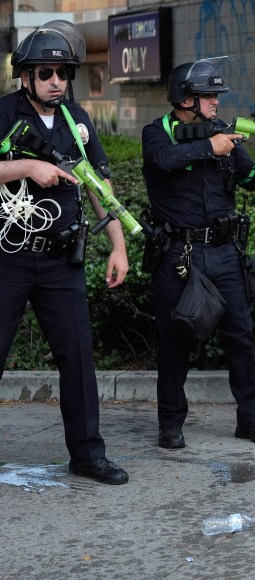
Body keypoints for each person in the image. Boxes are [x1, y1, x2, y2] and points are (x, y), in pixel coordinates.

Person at [0, 20, 129, 484]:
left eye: (63, 72)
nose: (57, 80)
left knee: (77, 360)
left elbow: (99, 187)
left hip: (62, 262)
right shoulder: (4, 113)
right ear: (26, 76)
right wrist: (28, 166)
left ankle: (88, 455)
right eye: (46, 72)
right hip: (8, 259)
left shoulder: (78, 120)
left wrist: (118, 246)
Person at [142, 56, 255, 448]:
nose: (216, 102)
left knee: (241, 337)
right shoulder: (157, 133)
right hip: (179, 254)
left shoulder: (223, 134)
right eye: (209, 95)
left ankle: (251, 420)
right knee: (175, 341)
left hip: (224, 253)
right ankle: (170, 424)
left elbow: (250, 180)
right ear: (185, 98)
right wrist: (211, 146)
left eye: (216, 95)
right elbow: (164, 160)